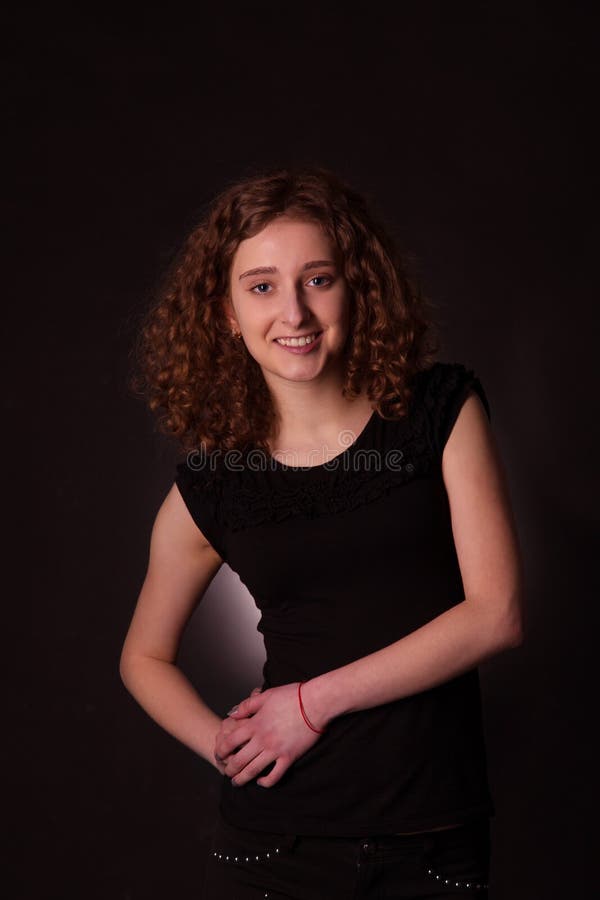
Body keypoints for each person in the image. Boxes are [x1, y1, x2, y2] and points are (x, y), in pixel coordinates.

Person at [119, 164, 525, 899]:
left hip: (432, 838)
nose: (295, 314)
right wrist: (226, 746)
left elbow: (495, 615)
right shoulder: (213, 485)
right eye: (263, 286)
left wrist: (309, 704)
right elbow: (142, 657)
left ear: (357, 288)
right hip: (274, 843)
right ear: (226, 312)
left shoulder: (440, 411)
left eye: (318, 279)